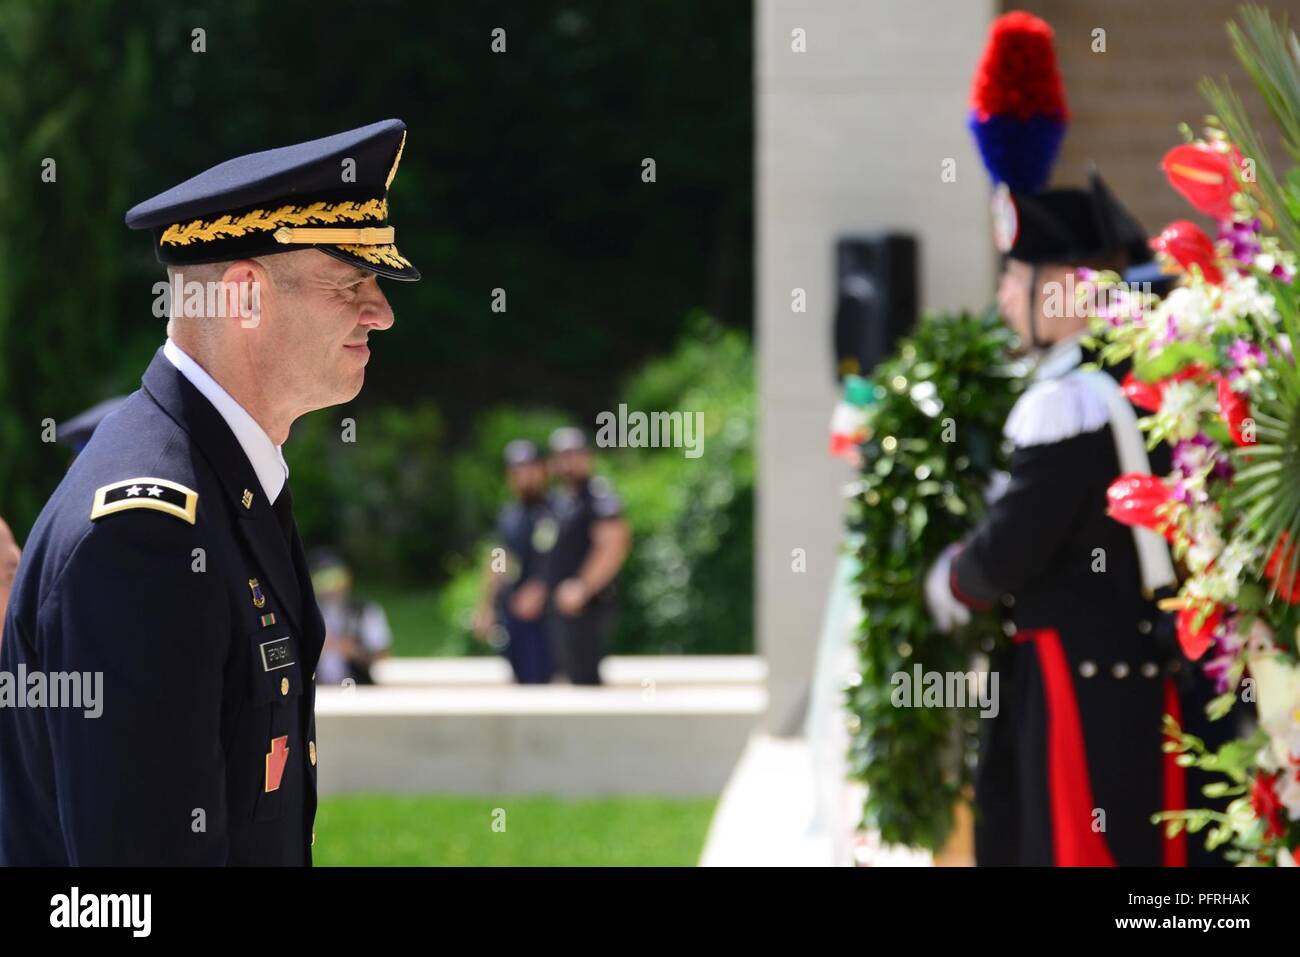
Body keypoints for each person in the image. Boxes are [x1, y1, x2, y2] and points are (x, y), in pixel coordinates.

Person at [0, 118, 416, 865]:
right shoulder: (146, 528)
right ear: (246, 297)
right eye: (351, 282)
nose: (379, 311)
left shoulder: (226, 480)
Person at [924, 13, 1196, 867]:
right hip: (1140, 671)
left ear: (1068, 289)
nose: (1006, 297)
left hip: (1076, 679)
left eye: (1017, 276)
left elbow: (1007, 556)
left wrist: (949, 579)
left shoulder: (1067, 399)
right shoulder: (1127, 375)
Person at [536, 427, 631, 686]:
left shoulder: (599, 497)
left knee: (585, 677)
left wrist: (583, 586)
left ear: (588, 456)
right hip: (559, 605)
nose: (567, 462)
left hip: (587, 604)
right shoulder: (560, 499)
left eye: (573, 454)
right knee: (566, 674)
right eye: (561, 455)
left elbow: (614, 544)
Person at [474, 439, 553, 684]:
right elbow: (500, 558)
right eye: (516, 469)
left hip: (548, 616)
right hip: (514, 612)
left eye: (529, 467)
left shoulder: (557, 509)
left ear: (542, 470)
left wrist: (541, 587)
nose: (523, 475)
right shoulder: (510, 514)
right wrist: (486, 606)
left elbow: (562, 558)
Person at [311, 550, 393, 686]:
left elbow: (383, 656)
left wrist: (353, 651)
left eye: (337, 579)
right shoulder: (308, 615)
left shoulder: (364, 612)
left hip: (358, 690)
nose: (332, 588)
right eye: (323, 581)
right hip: (317, 693)